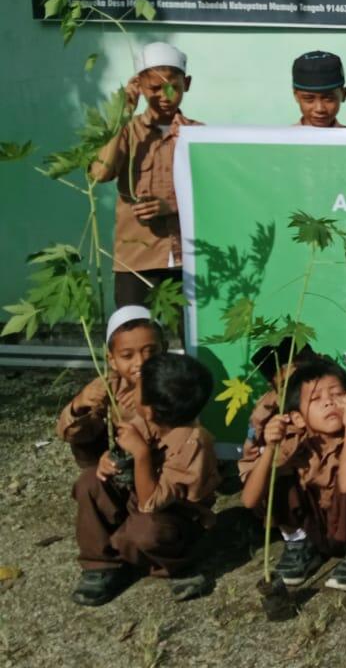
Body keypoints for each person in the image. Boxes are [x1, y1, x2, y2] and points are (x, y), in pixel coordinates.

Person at [70, 352, 216, 605]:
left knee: (146, 531)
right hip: (137, 500)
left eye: (137, 387)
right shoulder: (149, 420)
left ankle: (176, 566)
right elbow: (121, 452)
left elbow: (151, 503)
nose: (132, 389)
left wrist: (141, 453)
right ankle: (100, 565)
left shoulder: (194, 443)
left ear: (149, 409)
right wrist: (108, 459)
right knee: (89, 482)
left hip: (173, 517)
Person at [241, 357, 346, 592]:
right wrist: (269, 447)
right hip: (317, 528)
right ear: (297, 417)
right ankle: (298, 544)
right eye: (316, 399)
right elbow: (249, 500)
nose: (329, 403)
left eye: (336, 395)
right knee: (276, 476)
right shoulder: (293, 437)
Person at [90, 42, 200, 308]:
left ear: (186, 83)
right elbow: (100, 173)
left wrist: (171, 206)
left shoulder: (198, 134)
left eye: (173, 87)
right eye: (154, 88)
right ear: (138, 85)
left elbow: (213, 194)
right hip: (136, 260)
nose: (165, 95)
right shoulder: (126, 132)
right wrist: (122, 114)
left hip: (188, 258)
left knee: (190, 340)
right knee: (135, 332)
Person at [57, 306, 163, 469]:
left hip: (161, 464)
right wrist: (79, 404)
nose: (140, 362)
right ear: (112, 360)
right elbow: (67, 432)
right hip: (123, 458)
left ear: (165, 349)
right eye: (127, 356)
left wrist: (149, 395)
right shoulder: (111, 384)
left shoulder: (176, 379)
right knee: (83, 431)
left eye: (150, 352)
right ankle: (97, 473)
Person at [236, 336, 317, 486]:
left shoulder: (331, 401)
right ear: (273, 384)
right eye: (288, 382)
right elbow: (250, 453)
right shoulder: (263, 412)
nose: (297, 388)